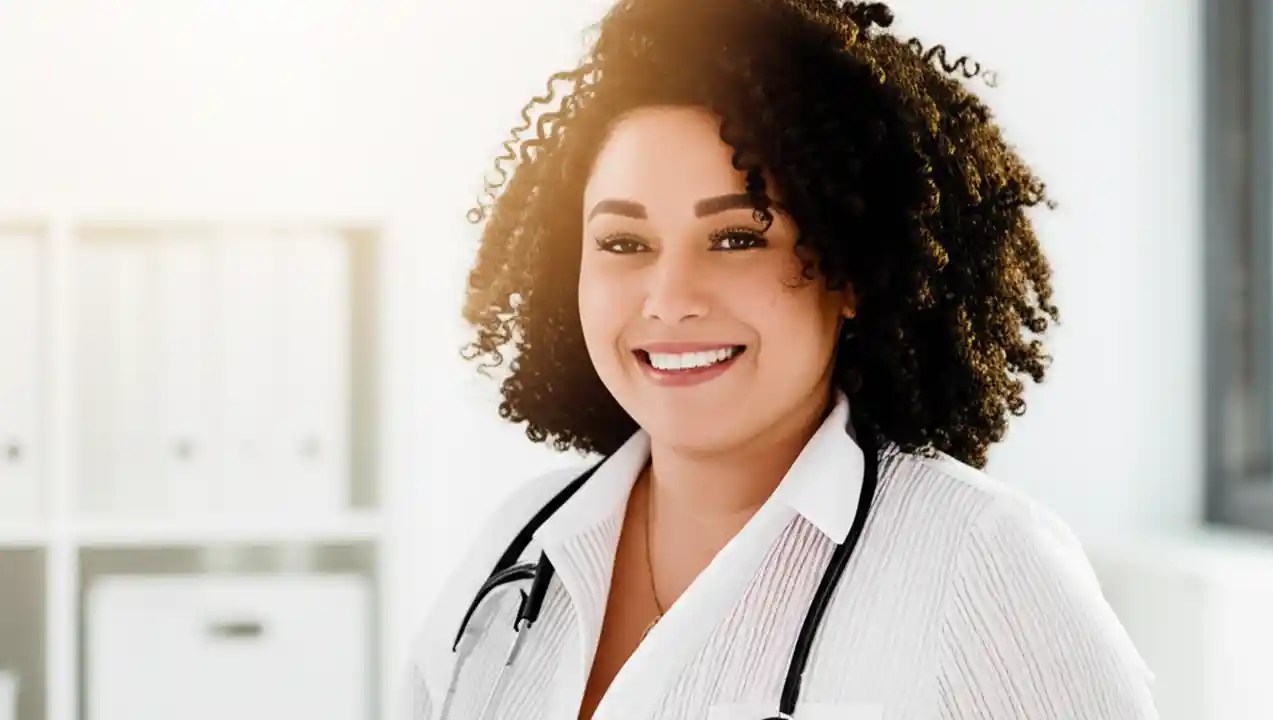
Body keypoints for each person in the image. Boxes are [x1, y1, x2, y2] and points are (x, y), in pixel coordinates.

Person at [402, 0, 1159, 718]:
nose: (670, 298)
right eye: (624, 244)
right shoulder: (517, 544)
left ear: (851, 268)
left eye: (737, 238)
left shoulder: (984, 565)